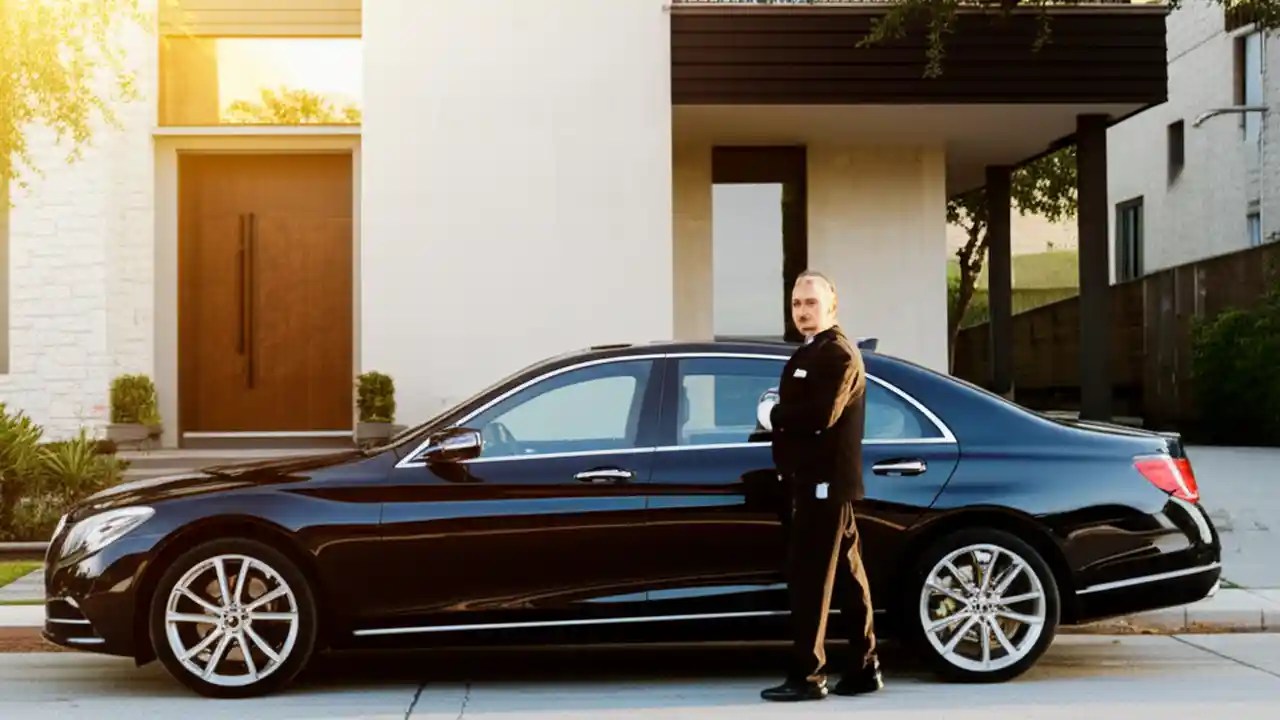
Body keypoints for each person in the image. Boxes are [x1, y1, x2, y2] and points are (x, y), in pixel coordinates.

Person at [758, 270, 882, 702]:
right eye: (796, 303)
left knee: (811, 581)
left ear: (832, 305)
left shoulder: (837, 355)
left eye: (811, 302)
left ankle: (809, 677)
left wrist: (771, 415)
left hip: (823, 485)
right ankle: (866, 668)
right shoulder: (810, 352)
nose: (802, 311)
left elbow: (819, 417)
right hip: (815, 482)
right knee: (849, 577)